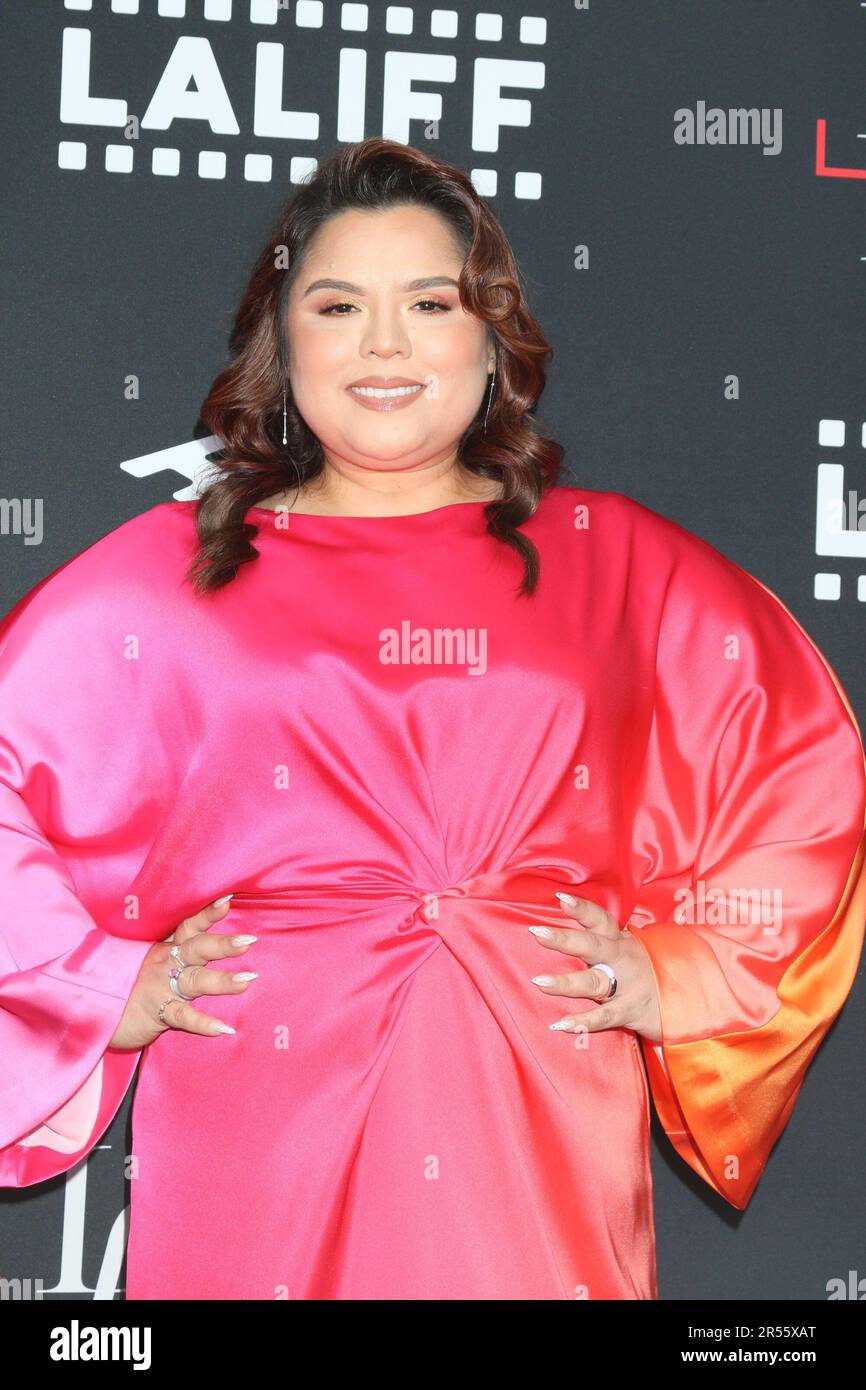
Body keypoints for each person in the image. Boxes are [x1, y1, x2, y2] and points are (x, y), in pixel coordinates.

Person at [0, 138, 864, 1302]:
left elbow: (797, 768)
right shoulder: (171, 575)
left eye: (430, 302)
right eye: (339, 303)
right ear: (282, 332)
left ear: (490, 337)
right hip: (260, 1098)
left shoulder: (615, 565)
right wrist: (107, 985)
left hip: (534, 1105)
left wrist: (681, 970)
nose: (385, 344)